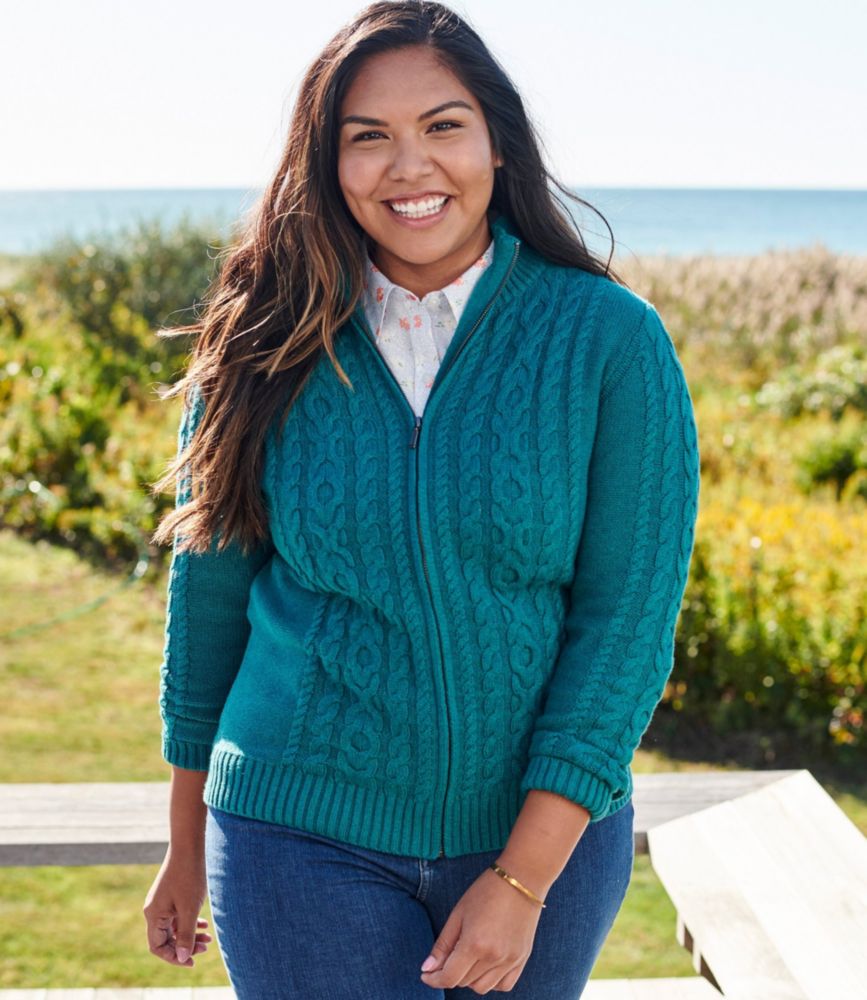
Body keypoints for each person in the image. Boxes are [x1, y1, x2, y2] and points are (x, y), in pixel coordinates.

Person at [142, 1, 701, 997]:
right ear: (327, 161)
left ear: (496, 139)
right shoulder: (260, 344)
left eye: (443, 126)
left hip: (544, 843)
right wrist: (184, 840)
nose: (410, 168)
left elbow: (626, 623)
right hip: (295, 832)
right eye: (369, 138)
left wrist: (522, 880)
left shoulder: (610, 342)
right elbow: (209, 608)